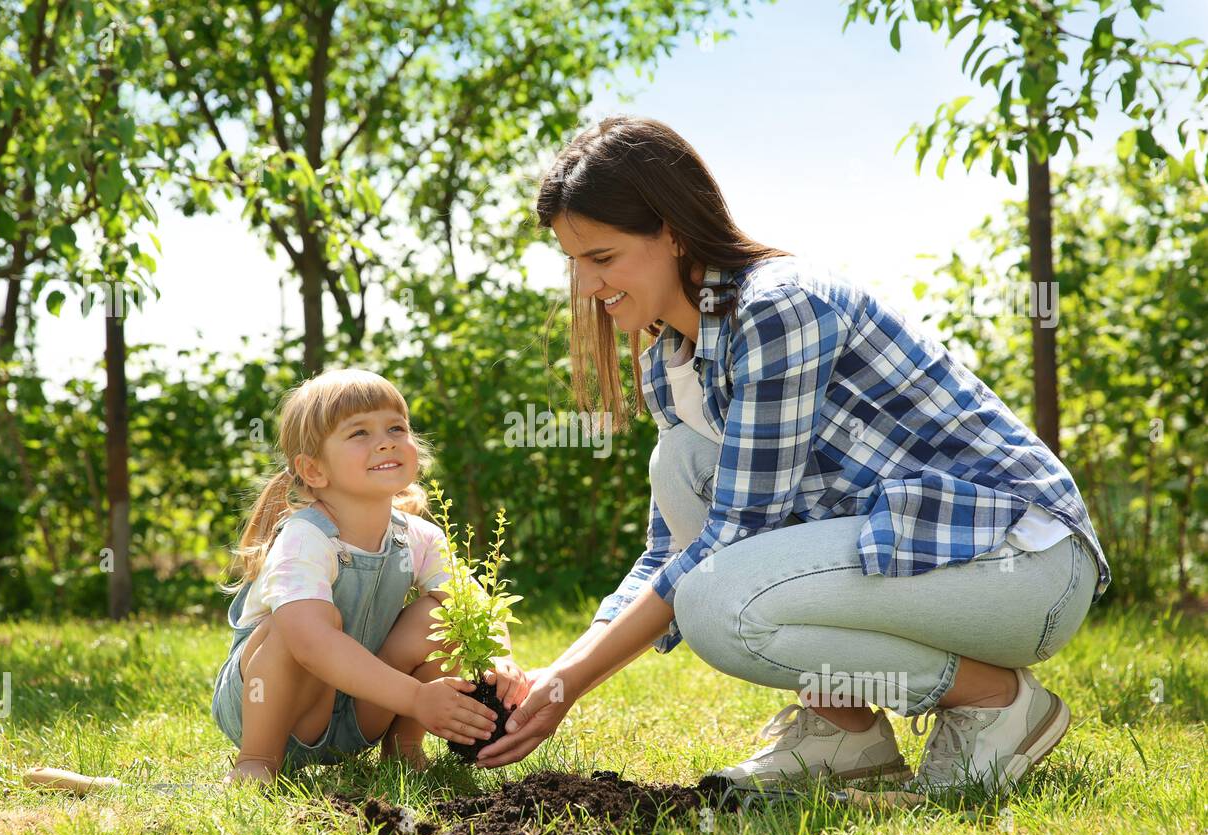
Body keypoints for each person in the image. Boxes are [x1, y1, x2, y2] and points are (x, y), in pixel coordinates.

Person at [476, 115, 1111, 797]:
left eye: (602, 258)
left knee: (718, 603)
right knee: (681, 471)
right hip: (913, 556)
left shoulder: (779, 307)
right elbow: (672, 547)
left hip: (1020, 562)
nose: (587, 285)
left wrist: (572, 684)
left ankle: (995, 701)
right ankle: (845, 731)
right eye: (575, 262)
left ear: (671, 233)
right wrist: (557, 672)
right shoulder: (673, 362)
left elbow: (733, 539)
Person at [212, 368, 526, 784]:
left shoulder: (419, 536)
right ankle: (256, 761)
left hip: (362, 711)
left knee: (450, 614)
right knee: (294, 626)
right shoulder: (305, 538)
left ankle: (403, 749)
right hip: (279, 712)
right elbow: (311, 645)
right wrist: (416, 697)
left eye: (396, 427)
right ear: (314, 469)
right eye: (359, 432)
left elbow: (476, 609)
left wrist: (500, 658)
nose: (385, 440)